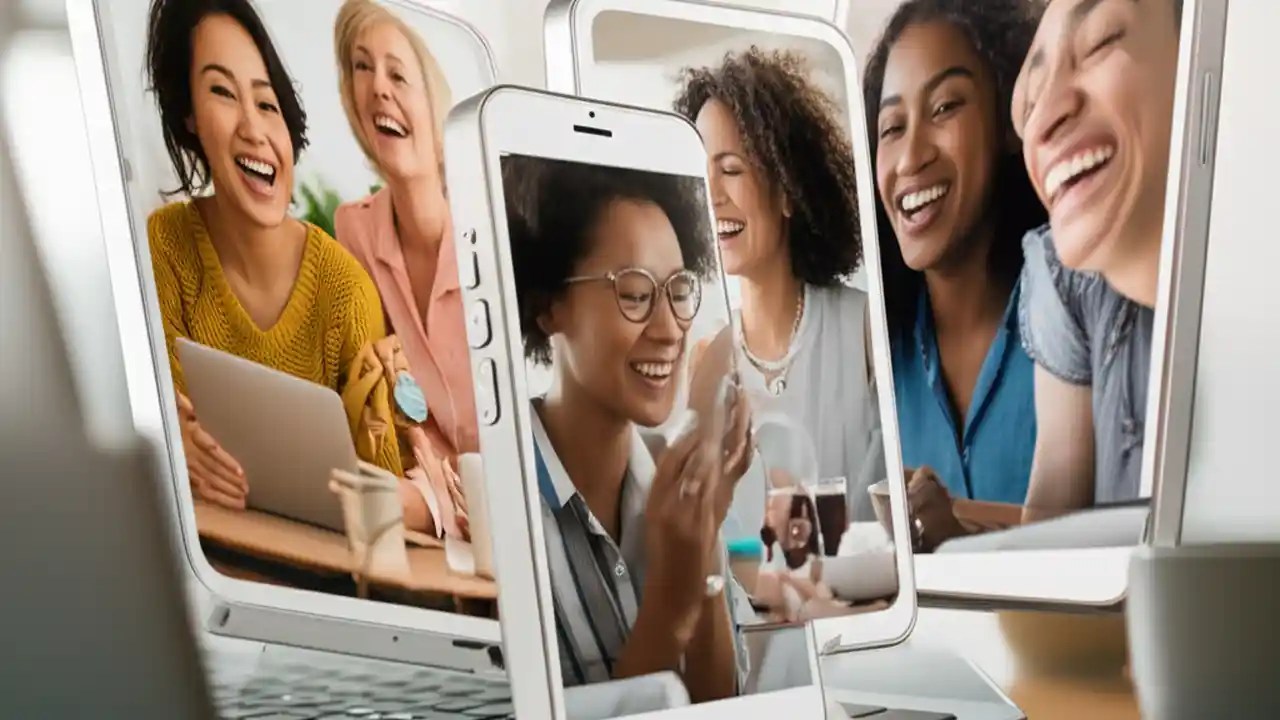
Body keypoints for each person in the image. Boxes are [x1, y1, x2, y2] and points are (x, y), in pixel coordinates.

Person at [502, 156, 753, 702]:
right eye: (635, 294)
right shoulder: (503, 503)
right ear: (548, 307)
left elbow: (722, 709)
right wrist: (669, 602)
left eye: (679, 291)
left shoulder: (674, 487)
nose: (669, 330)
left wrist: (705, 542)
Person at [143, 0, 399, 511]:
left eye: (267, 104)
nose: (254, 129)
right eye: (222, 93)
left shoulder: (344, 290)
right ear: (189, 115)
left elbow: (384, 496)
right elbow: (155, 422)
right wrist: (171, 443)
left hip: (320, 574)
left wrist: (371, 418)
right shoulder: (165, 246)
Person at [862, 0, 1046, 550]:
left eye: (944, 107)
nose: (911, 155)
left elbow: (1113, 534)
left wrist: (963, 533)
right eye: (892, 126)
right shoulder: (879, 347)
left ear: (1010, 118)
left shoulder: (1073, 304)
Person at [674, 47, 882, 531]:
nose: (712, 194)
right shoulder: (704, 362)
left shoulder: (866, 331)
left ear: (787, 189)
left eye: (730, 170)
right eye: (700, 175)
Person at [1011, 0, 1182, 521]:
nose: (1043, 119)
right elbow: (1050, 520)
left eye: (1102, 40)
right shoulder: (1069, 284)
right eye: (1029, 103)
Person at [332, 0, 473, 538]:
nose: (378, 88)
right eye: (362, 67)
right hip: (430, 486)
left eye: (397, 73)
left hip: (523, 496)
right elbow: (396, 402)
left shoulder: (496, 226)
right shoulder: (355, 232)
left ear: (433, 100)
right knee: (361, 504)